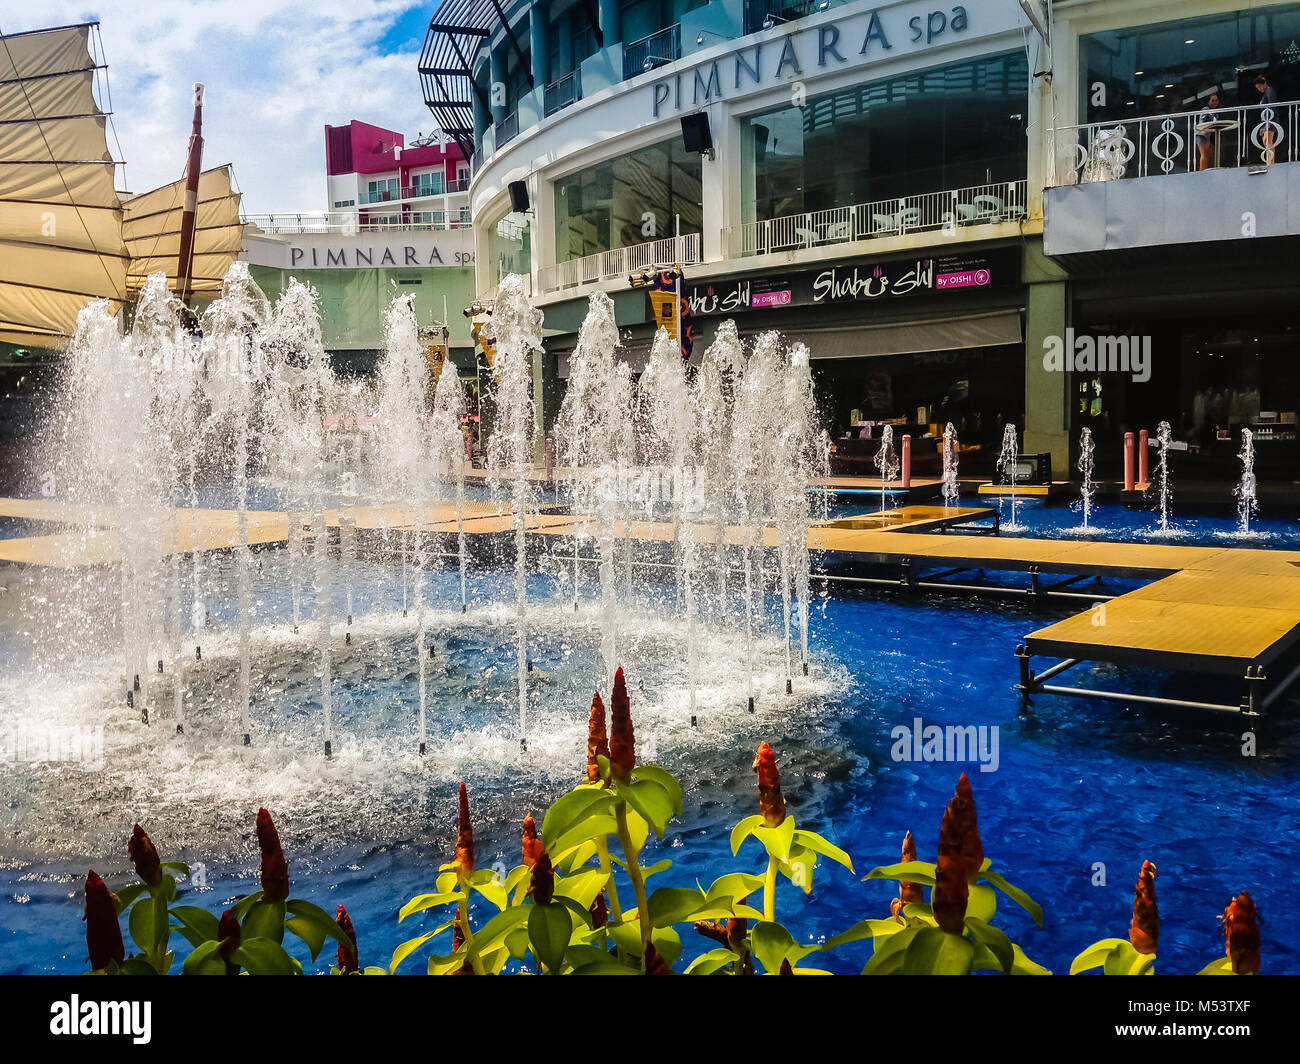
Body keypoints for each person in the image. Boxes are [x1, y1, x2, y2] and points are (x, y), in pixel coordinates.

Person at [1196, 90, 1222, 170]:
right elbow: (1202, 120)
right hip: (1202, 135)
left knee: (1209, 155)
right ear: (1208, 101)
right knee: (1204, 154)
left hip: (1209, 136)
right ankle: (1202, 173)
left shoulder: (1215, 112)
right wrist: (1203, 130)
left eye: (1216, 100)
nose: (1215, 102)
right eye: (1213, 100)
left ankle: (1206, 170)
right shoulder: (1206, 109)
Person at [1255, 74, 1278, 159]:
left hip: (1270, 121)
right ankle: (1270, 161)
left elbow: (1272, 108)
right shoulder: (1266, 93)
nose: (1259, 89)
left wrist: (1268, 124)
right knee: (1266, 141)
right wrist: (1263, 125)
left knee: (1268, 141)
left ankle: (1271, 163)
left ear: (1264, 83)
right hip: (1266, 121)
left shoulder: (1269, 91)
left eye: (1260, 86)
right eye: (1258, 88)